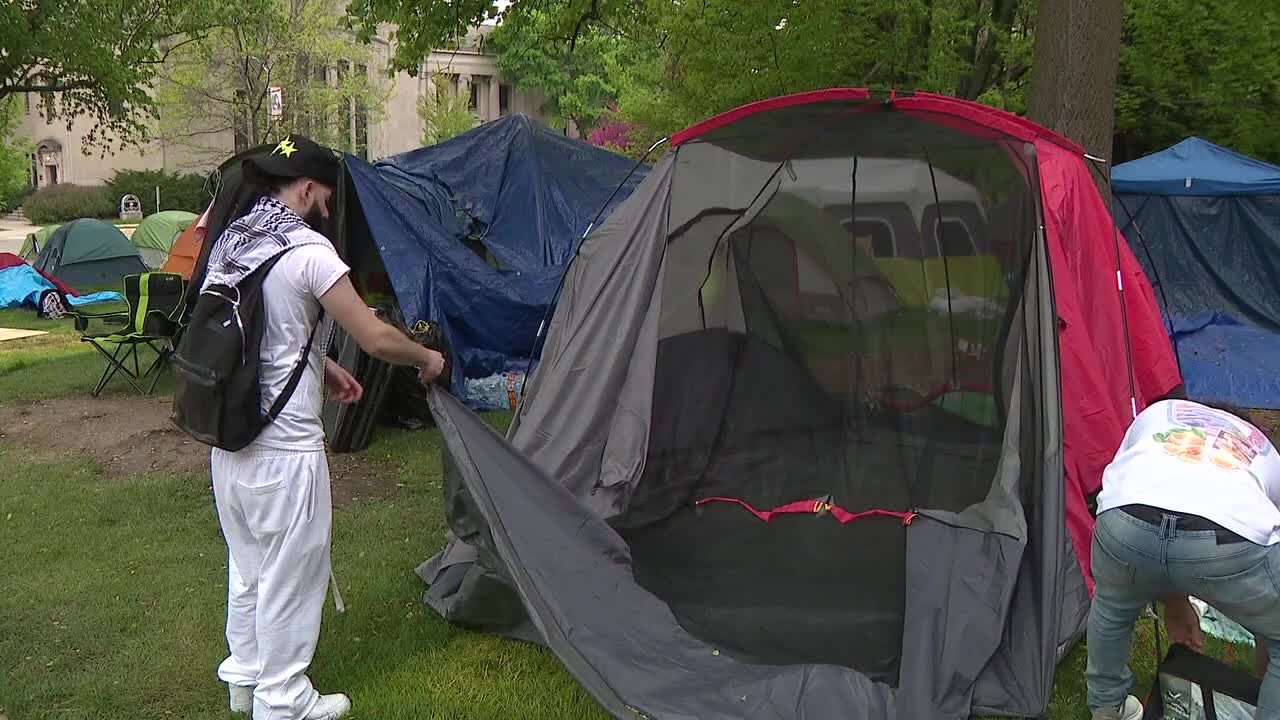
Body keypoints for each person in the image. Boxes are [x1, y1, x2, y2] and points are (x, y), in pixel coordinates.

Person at [203, 136, 446, 720]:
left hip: (229, 442)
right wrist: (426, 358)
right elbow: (375, 335)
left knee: (248, 567)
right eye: (329, 199)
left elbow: (257, 329)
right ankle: (283, 699)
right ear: (308, 189)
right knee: (292, 573)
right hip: (285, 451)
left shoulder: (235, 238)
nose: (330, 211)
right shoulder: (309, 250)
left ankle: (245, 679)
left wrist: (323, 366)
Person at [1087, 398, 1280, 720]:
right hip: (1225, 538)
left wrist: (1175, 604)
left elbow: (1158, 508)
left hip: (1126, 518)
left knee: (1112, 608)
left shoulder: (1160, 412)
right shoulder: (1264, 449)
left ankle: (1107, 708)